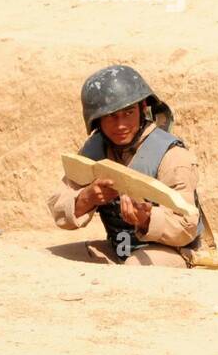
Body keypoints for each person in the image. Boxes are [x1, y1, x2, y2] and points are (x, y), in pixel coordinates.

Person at [47, 65, 203, 266]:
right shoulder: (95, 151)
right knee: (54, 258)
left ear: (142, 108)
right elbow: (58, 207)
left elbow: (187, 224)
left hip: (172, 251)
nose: (120, 125)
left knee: (134, 268)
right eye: (111, 117)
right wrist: (86, 198)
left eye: (128, 113)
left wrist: (147, 219)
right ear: (97, 120)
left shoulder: (172, 156)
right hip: (119, 248)